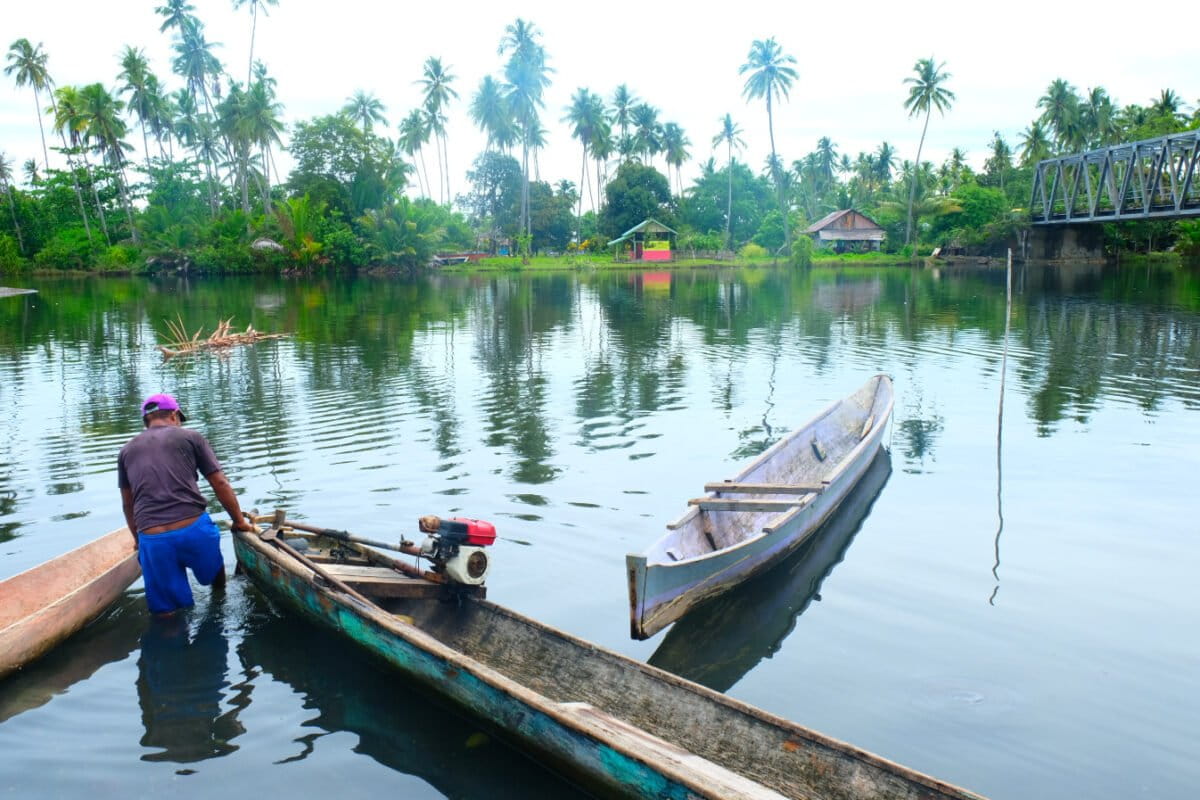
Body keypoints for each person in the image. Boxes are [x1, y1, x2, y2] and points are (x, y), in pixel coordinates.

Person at [118, 393, 255, 615]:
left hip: (153, 539)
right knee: (216, 571)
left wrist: (138, 541)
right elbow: (219, 482)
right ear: (174, 416)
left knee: (168, 614)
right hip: (193, 530)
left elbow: (128, 503)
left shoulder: (126, 451)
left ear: (146, 420)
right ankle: (218, 598)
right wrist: (239, 521)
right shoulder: (191, 437)